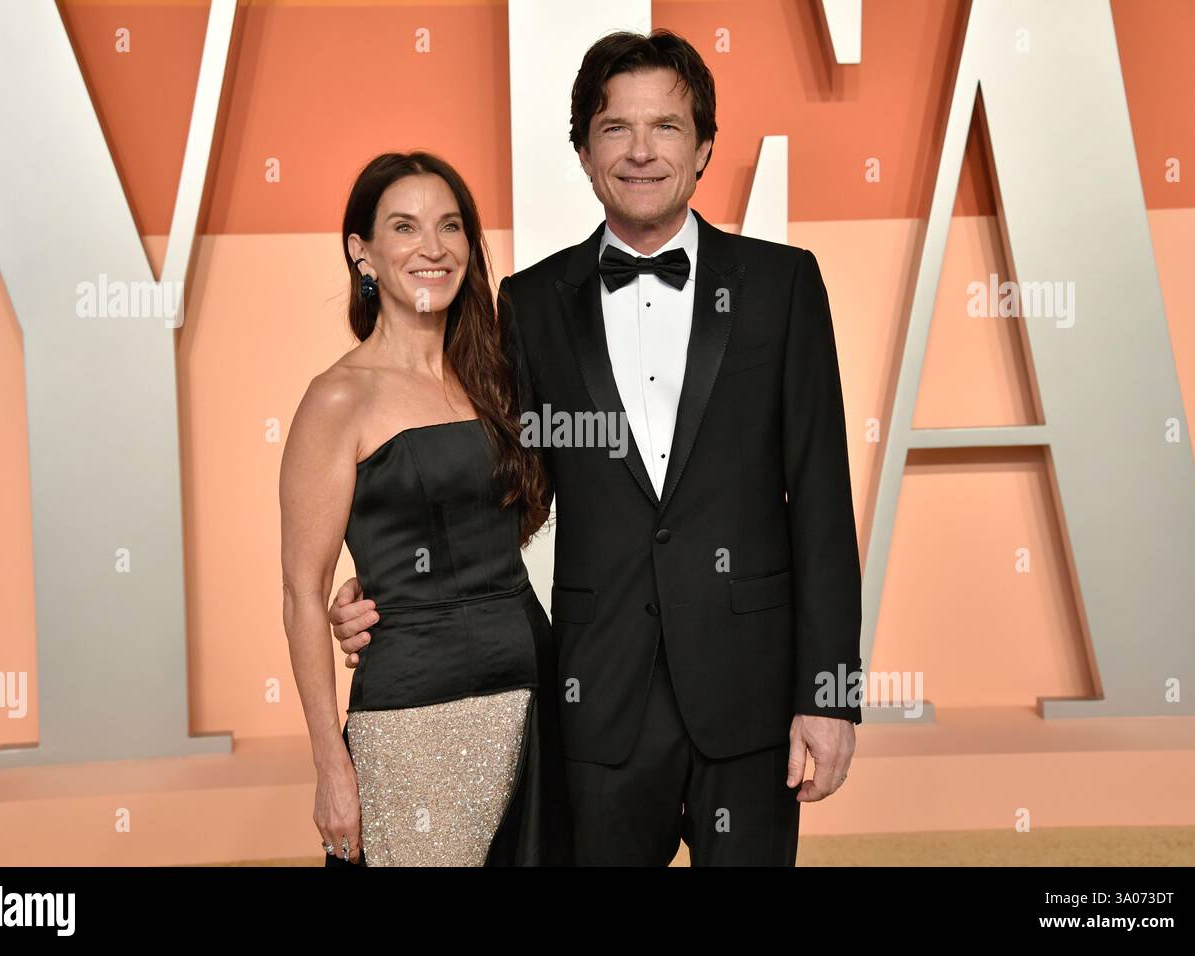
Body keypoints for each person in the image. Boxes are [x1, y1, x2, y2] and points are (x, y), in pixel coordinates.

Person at [331, 30, 862, 866]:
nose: (641, 151)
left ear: (705, 148)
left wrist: (832, 696)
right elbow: (511, 480)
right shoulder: (533, 302)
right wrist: (399, 574)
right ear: (583, 151)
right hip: (597, 695)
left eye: (668, 128)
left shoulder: (784, 285)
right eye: (616, 128)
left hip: (751, 695)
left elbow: (824, 502)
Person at [280, 151, 572, 866]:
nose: (432, 248)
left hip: (532, 694)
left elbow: (510, 514)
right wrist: (330, 764)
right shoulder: (337, 398)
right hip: (411, 721)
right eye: (404, 227)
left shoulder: (495, 377)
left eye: (449, 226)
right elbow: (300, 590)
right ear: (363, 253)